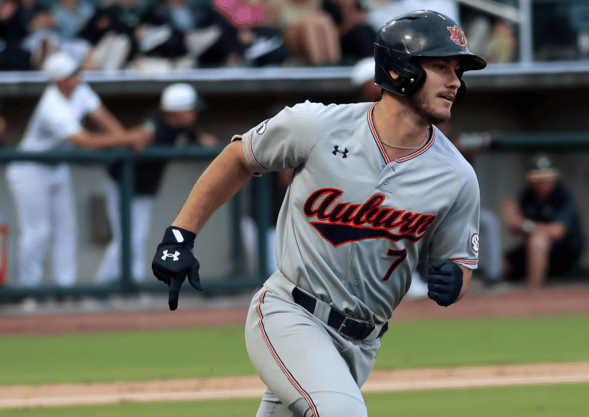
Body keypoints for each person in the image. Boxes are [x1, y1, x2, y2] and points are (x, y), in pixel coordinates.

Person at [151, 10, 485, 416]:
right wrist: (181, 234)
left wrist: (454, 281)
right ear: (399, 71)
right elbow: (239, 157)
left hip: (362, 344)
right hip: (289, 313)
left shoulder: (457, 176)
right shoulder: (318, 125)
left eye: (458, 70)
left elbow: (460, 265)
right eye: (440, 66)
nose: (455, 81)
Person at [4, 52, 149, 289]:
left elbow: (103, 117)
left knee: (66, 230)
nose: (78, 76)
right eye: (72, 74)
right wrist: (130, 137)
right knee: (37, 232)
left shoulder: (80, 90)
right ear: (60, 80)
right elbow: (85, 140)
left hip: (57, 166)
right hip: (29, 169)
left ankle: (66, 287)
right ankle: (27, 288)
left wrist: (125, 138)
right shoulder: (52, 104)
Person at [95, 83, 217, 285]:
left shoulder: (180, 126)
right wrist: (138, 139)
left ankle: (132, 284)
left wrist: (202, 139)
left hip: (143, 189)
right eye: (190, 110)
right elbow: (144, 131)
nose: (194, 113)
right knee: (126, 240)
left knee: (138, 239)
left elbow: (193, 134)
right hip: (122, 185)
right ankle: (102, 285)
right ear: (177, 112)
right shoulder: (153, 124)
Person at [500, 154, 584, 290]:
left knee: (538, 240)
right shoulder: (527, 196)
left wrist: (523, 224)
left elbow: (557, 232)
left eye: (547, 177)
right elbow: (517, 232)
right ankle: (493, 292)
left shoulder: (562, 195)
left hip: (563, 252)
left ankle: (534, 295)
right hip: (532, 252)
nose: (543, 181)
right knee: (502, 264)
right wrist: (512, 219)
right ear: (530, 178)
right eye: (538, 177)